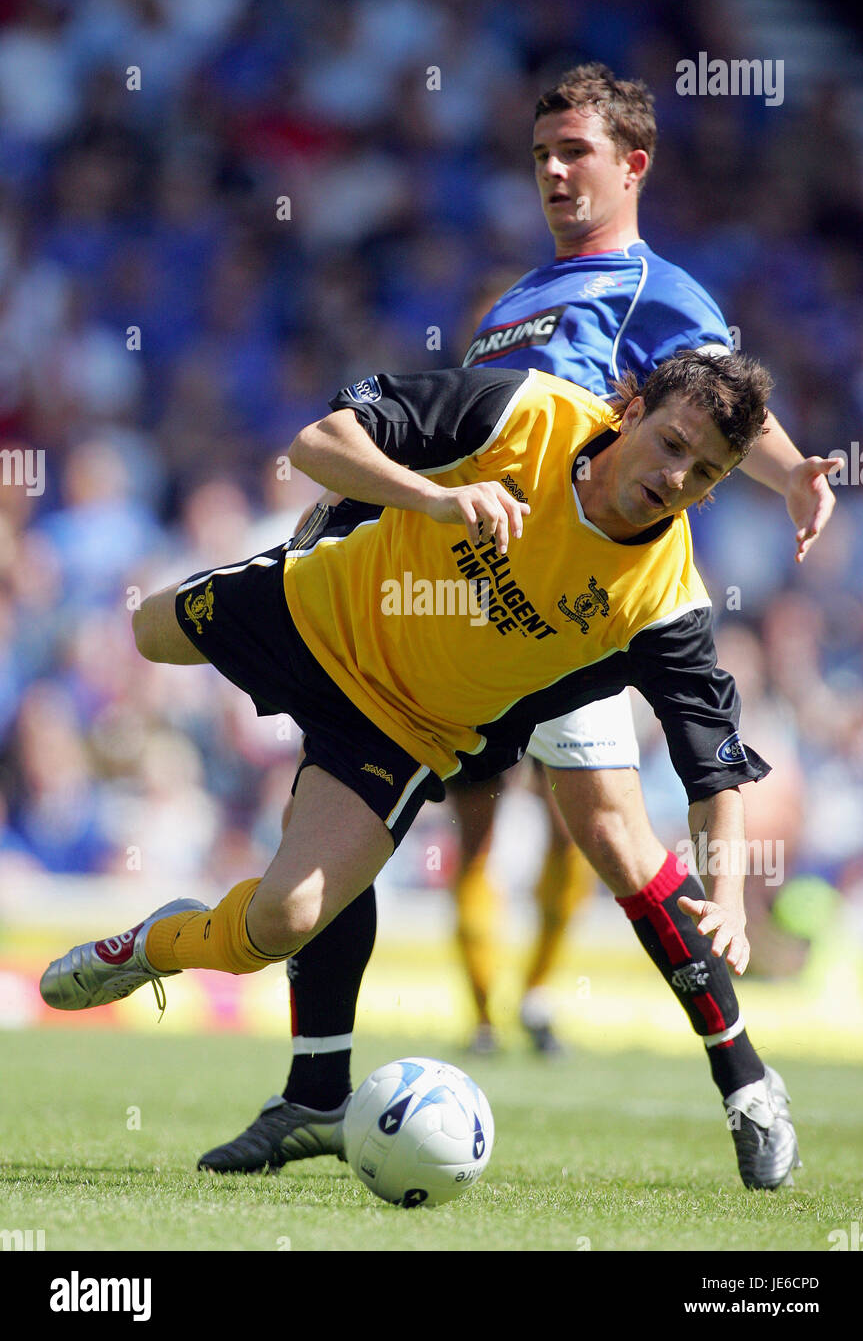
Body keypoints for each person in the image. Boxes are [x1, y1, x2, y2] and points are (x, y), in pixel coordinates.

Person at [189, 62, 840, 1172]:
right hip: (445, 587)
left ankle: (745, 1080)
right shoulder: (517, 301)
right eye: (540, 152)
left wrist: (786, 479)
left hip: (566, 594)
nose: (551, 171)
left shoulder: (651, 287)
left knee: (610, 834)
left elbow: (725, 403)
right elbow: (440, 435)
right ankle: (313, 1092)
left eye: (574, 151)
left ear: (632, 164)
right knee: (340, 795)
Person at [42, 349, 801, 1190]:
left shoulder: (666, 604)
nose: (676, 478)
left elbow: (713, 775)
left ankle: (152, 944)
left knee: (283, 920)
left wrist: (727, 897)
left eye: (705, 473)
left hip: (402, 731)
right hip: (311, 606)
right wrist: (436, 497)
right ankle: (314, 1091)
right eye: (670, 444)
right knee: (147, 630)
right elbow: (318, 443)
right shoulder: (521, 411)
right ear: (628, 412)